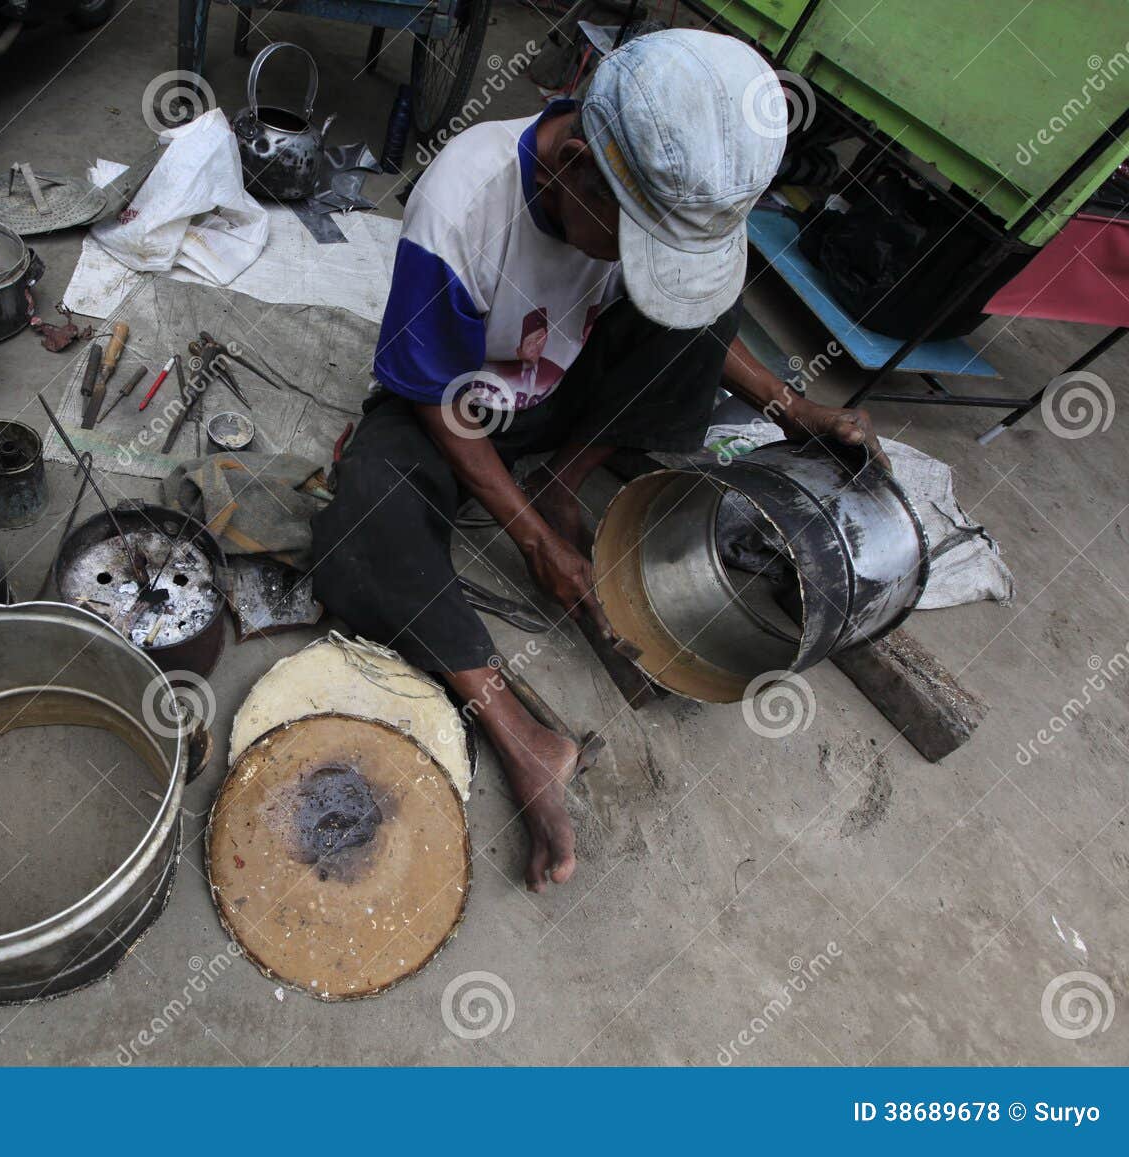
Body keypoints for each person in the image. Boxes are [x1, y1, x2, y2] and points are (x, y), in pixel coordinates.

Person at [311, 29, 882, 892]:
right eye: (637, 243)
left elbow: (699, 323)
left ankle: (565, 475)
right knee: (362, 516)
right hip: (460, 407)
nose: (637, 263)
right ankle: (520, 734)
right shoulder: (462, 207)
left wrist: (792, 407)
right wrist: (535, 542)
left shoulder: (628, 193)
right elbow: (433, 398)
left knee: (698, 314)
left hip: (562, 391)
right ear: (575, 167)